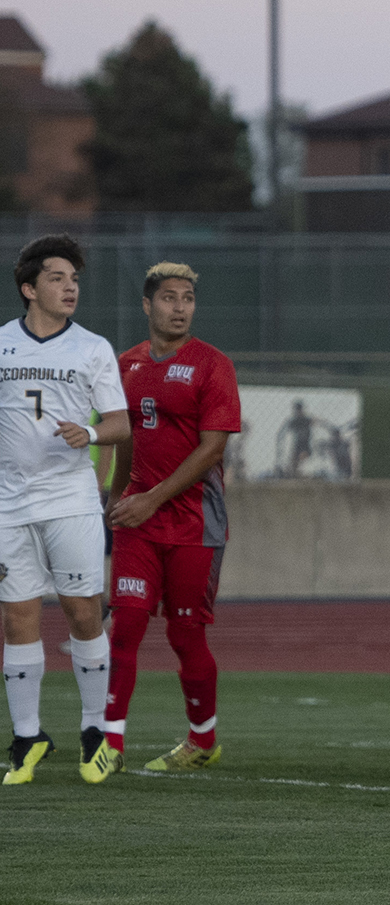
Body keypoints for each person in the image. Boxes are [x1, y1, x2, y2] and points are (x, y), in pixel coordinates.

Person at [102, 262, 243, 776]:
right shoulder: (124, 365)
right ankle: (109, 743)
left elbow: (213, 449)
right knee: (127, 625)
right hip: (137, 518)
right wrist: (113, 510)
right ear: (147, 304)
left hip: (194, 522)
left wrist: (151, 499)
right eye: (168, 297)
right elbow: (125, 444)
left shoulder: (213, 365)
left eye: (187, 298)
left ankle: (202, 740)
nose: (179, 307)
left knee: (186, 635)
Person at [0, 235, 130, 785]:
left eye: (74, 278)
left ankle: (95, 731)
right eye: (57, 278)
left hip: (71, 500)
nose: (70, 286)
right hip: (7, 505)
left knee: (82, 612)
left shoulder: (93, 348)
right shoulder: (2, 343)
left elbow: (122, 425)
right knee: (16, 618)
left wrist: (92, 432)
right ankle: (28, 737)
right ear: (29, 288)